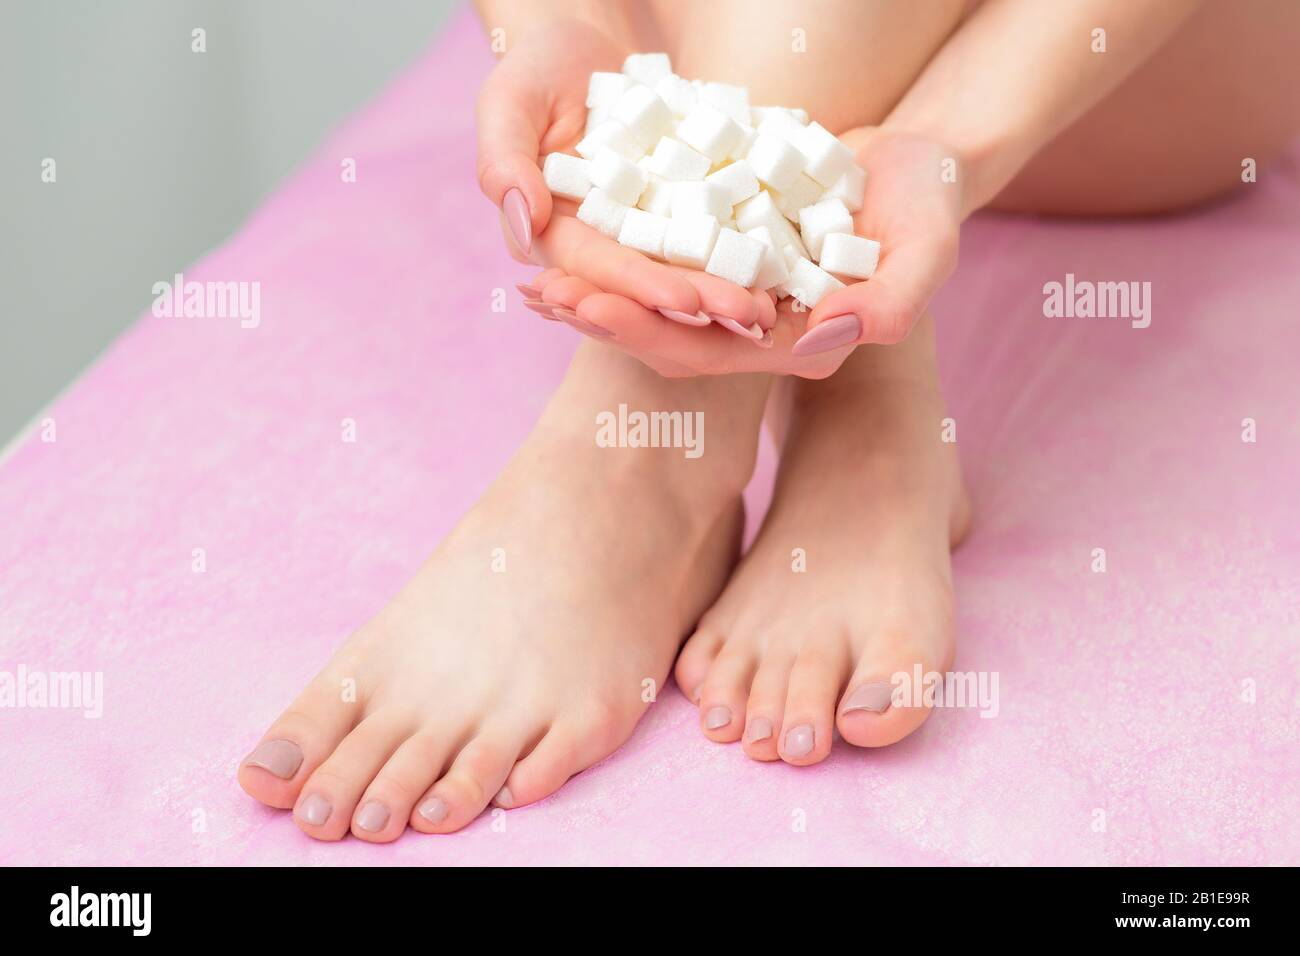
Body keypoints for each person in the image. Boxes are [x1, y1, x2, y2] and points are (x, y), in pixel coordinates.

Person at [238, 0, 1300, 842]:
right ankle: (862, 386)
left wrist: (946, 142)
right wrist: (570, 31)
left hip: (1118, 74)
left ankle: (639, 447)